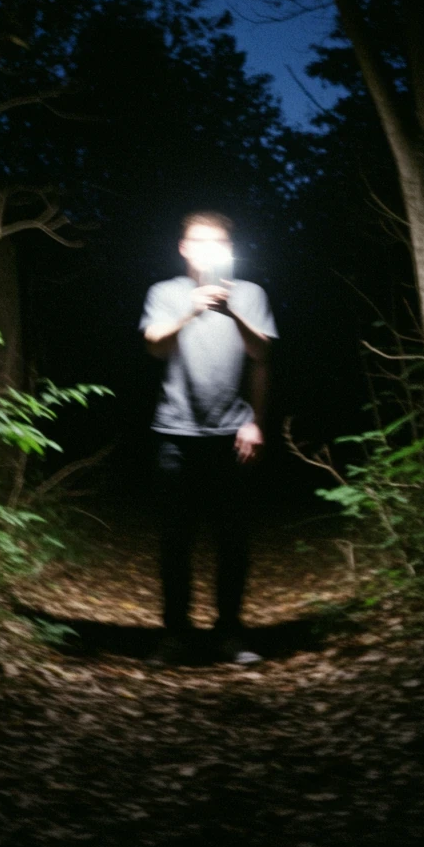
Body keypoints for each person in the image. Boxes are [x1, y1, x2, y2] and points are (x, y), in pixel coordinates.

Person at [139, 211, 278, 665]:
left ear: (229, 249)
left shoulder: (251, 294)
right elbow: (155, 346)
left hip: (231, 435)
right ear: (183, 248)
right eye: (199, 242)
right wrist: (193, 309)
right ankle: (175, 635)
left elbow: (262, 356)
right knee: (175, 540)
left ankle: (230, 633)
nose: (208, 250)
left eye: (218, 243)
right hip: (175, 434)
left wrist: (256, 421)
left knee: (232, 540)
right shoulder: (165, 293)